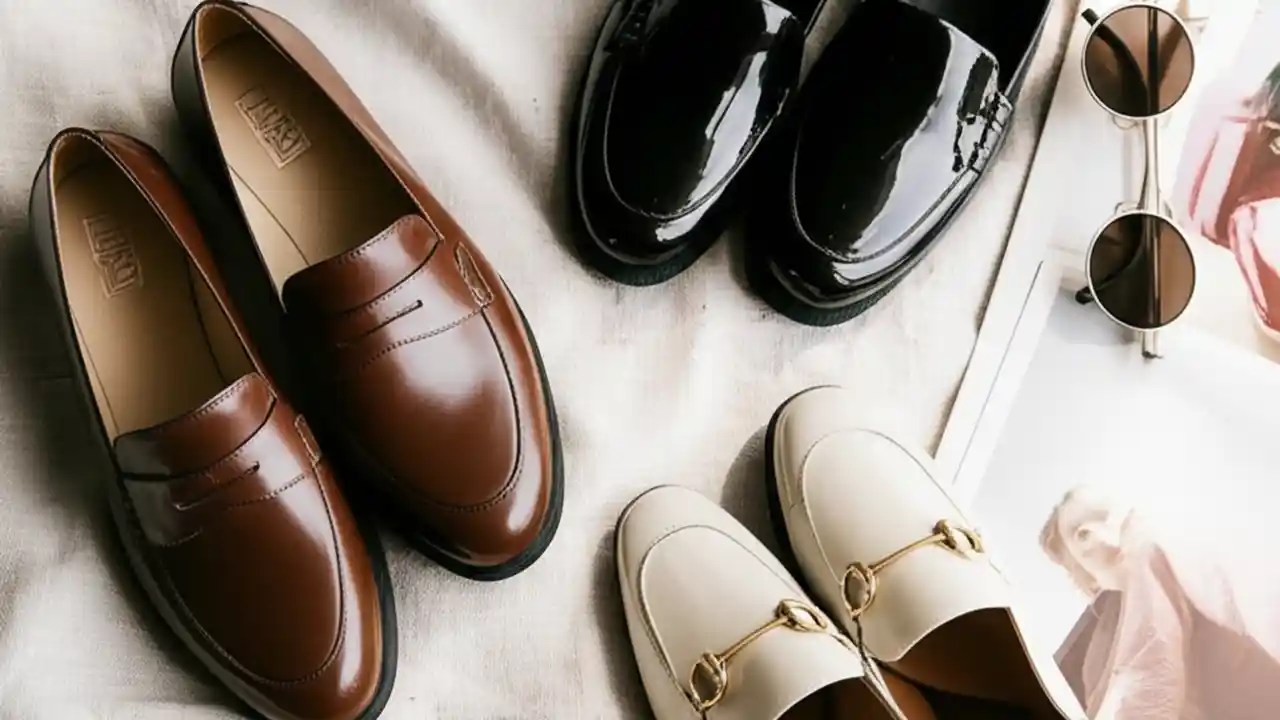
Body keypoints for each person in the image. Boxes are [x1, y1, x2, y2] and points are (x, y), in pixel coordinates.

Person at [1040, 485, 1280, 719]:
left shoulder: (1150, 547)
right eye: (1082, 534)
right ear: (1085, 578)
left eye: (1107, 514)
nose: (1109, 535)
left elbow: (1147, 681)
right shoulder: (1103, 648)